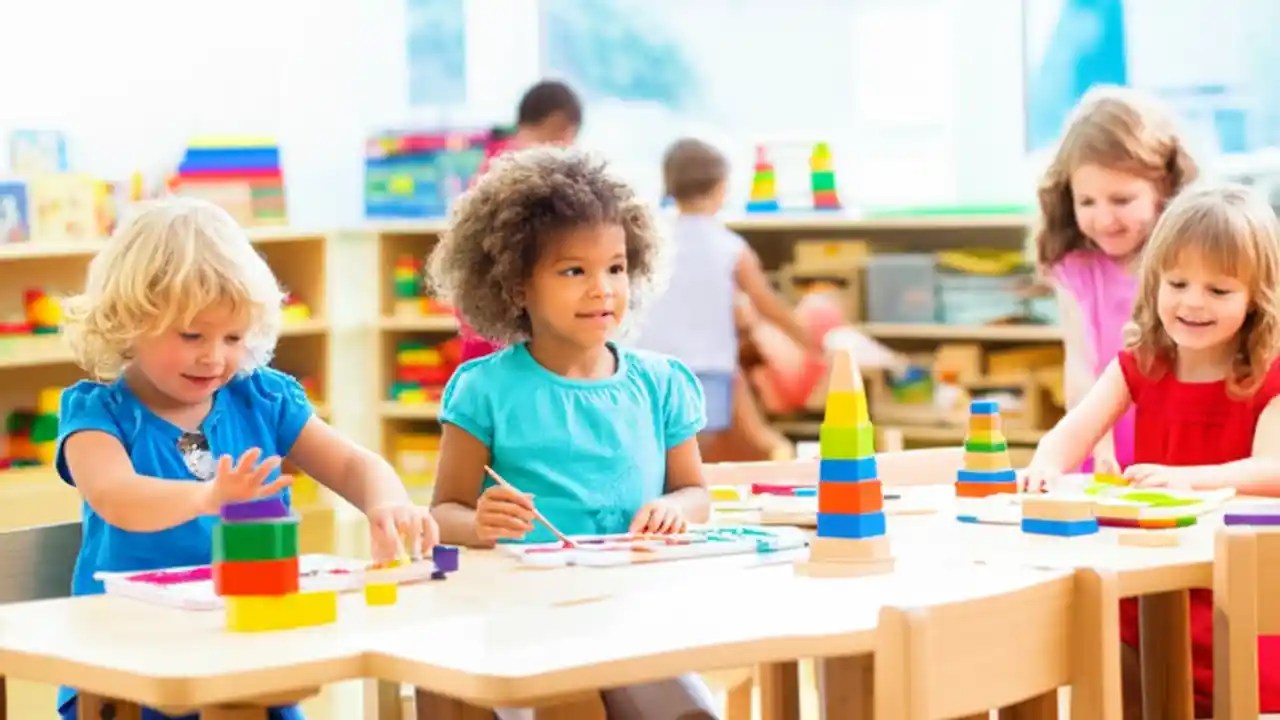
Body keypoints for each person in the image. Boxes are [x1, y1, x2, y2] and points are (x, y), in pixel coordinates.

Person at [55, 198, 439, 720]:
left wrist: (390, 502)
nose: (214, 355)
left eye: (232, 337)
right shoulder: (100, 413)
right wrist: (208, 496)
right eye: (192, 334)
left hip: (249, 649)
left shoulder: (261, 398)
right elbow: (115, 497)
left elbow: (351, 465)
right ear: (128, 321)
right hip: (130, 669)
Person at [424, 147, 719, 720]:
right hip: (525, 626)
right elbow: (444, 512)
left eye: (615, 267)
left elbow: (697, 492)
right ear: (515, 285)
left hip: (635, 616)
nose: (602, 289)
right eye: (573, 271)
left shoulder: (661, 383)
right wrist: (481, 524)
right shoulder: (483, 390)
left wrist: (673, 508)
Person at [1023, 184, 1280, 717]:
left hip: (1235, 594)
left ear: (1257, 297)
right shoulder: (1140, 362)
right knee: (1126, 680)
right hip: (1151, 587)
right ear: (1154, 280)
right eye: (1178, 282)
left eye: (1219, 290)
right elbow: (1075, 430)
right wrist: (1046, 464)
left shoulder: (1268, 374)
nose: (1191, 302)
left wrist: (1189, 479)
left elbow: (1272, 471)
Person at [1034, 85, 1198, 475]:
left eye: (1122, 200)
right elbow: (1080, 364)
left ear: (1165, 189)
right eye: (1087, 202)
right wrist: (1096, 443)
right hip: (1101, 449)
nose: (1104, 219)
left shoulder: (1187, 263)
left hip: (1179, 450)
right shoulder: (1075, 269)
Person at [631, 137, 814, 461]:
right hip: (707, 370)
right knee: (698, 455)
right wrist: (810, 341)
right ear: (721, 188)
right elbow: (766, 302)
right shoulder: (729, 246)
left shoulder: (653, 239)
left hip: (650, 365)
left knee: (657, 450)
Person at [459, 79, 586, 363]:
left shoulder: (492, 164)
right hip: (513, 330)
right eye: (570, 136)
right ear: (560, 126)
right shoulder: (531, 179)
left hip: (484, 324)